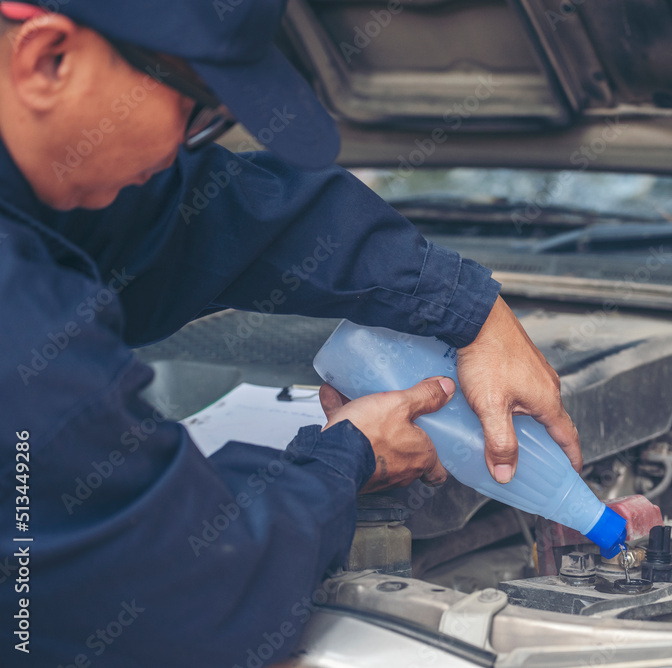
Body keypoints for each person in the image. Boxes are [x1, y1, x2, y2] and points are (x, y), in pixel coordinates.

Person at [0, 1, 581, 665]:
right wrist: (344, 458)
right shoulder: (20, 316)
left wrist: (471, 310)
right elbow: (188, 603)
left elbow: (201, 216)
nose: (190, 145)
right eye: (201, 109)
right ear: (49, 60)